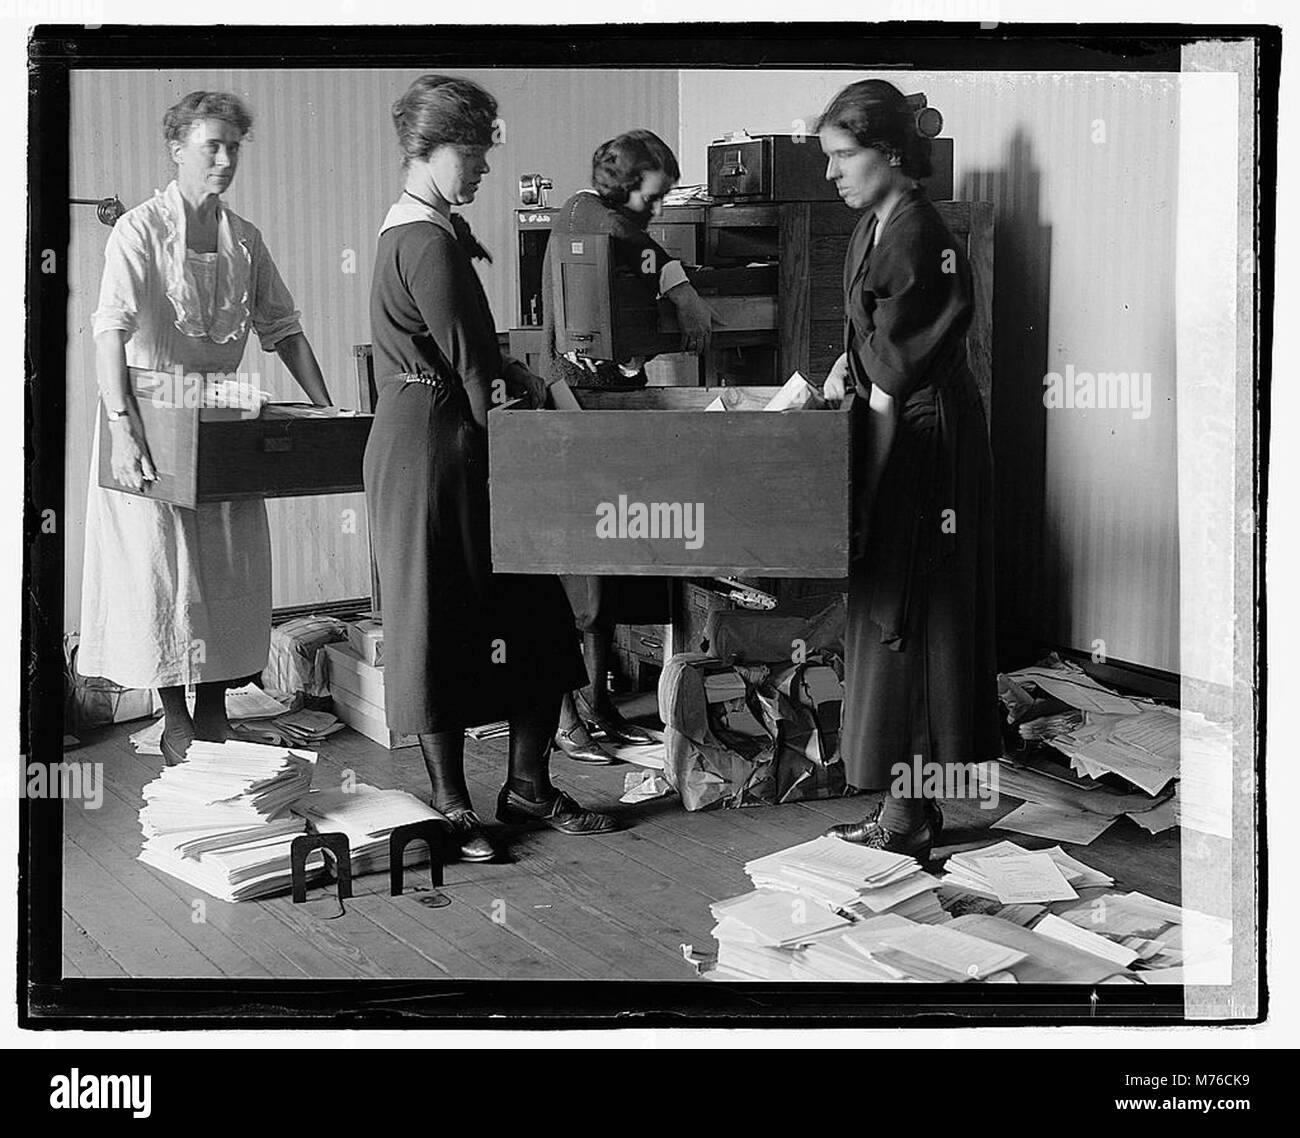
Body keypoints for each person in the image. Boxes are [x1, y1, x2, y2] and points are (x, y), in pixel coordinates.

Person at [364, 74, 618, 863]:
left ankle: (528, 788)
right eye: (471, 154)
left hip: (438, 440)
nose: (480, 169)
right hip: (438, 454)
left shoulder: (413, 229)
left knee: (532, 617)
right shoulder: (425, 241)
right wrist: (542, 436)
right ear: (433, 151)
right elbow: (480, 377)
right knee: (438, 622)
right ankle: (452, 808)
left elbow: (477, 362)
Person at [81, 91, 332, 768]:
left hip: (222, 421)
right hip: (146, 418)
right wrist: (123, 430)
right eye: (209, 145)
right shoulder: (140, 230)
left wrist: (326, 409)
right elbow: (110, 333)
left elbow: (283, 330)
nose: (223, 159)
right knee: (161, 574)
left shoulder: (245, 239)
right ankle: (174, 721)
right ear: (177, 148)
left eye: (232, 147)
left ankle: (216, 712)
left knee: (229, 570)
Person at [817, 80, 1001, 858]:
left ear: (890, 152)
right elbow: (870, 337)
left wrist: (866, 485)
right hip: (894, 418)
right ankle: (904, 805)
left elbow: (896, 372)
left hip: (922, 439)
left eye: (844, 156)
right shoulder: (873, 224)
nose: (833, 173)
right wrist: (837, 370)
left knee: (913, 618)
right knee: (893, 613)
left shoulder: (921, 232)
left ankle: (910, 812)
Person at [541, 130, 716, 763]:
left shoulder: (610, 224)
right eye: (657, 192)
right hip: (577, 405)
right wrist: (686, 294)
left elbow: (643, 248)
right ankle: (565, 721)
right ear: (624, 183)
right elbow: (635, 242)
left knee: (604, 569)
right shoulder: (585, 217)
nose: (661, 206)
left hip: (605, 399)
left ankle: (598, 703)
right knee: (576, 576)